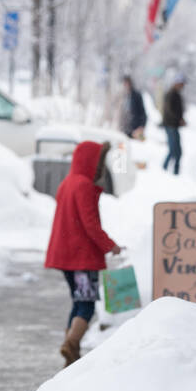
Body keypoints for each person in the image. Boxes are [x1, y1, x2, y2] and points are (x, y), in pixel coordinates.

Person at [45, 140, 121, 365]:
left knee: (78, 302)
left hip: (66, 257)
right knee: (86, 304)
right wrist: (110, 245)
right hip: (82, 258)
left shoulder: (67, 183)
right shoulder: (84, 186)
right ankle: (70, 345)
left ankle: (71, 352)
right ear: (91, 162)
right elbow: (90, 224)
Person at [161, 74, 185, 174]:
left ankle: (175, 171)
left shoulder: (176, 94)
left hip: (173, 125)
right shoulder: (171, 94)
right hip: (170, 125)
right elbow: (170, 110)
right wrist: (179, 119)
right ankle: (164, 169)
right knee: (173, 150)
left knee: (177, 151)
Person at [119, 74, 146, 139]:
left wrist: (141, 126)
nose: (125, 85)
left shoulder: (136, 95)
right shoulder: (122, 95)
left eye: (126, 83)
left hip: (134, 129)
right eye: (124, 83)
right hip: (123, 129)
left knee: (136, 145)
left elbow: (142, 112)